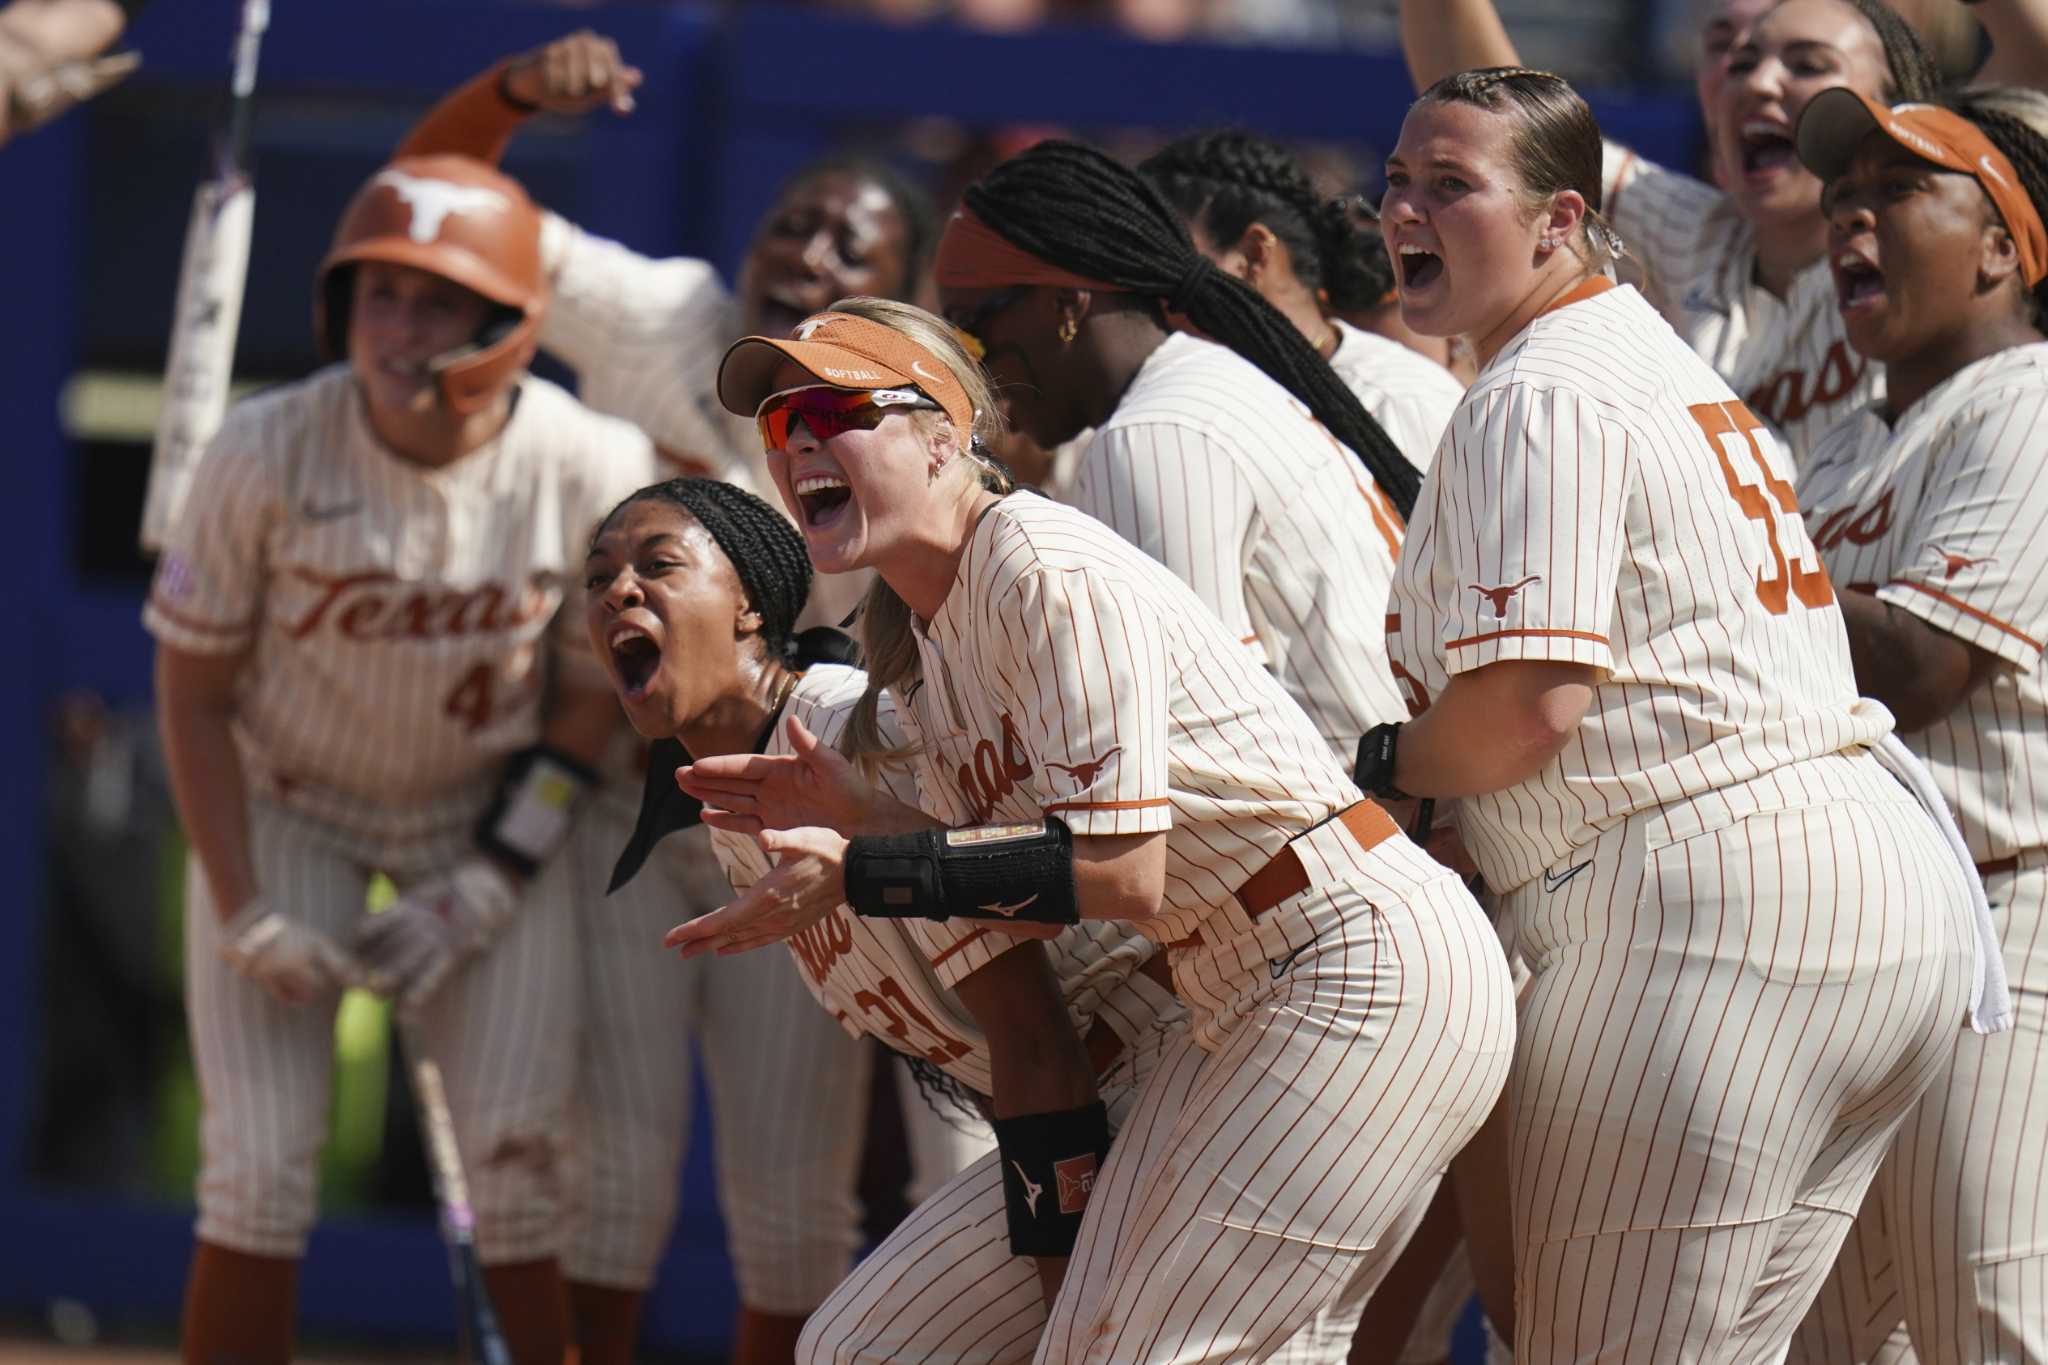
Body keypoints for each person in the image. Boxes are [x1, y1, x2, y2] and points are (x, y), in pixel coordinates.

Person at [672, 297, 1515, 1362]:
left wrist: (867, 865)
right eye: (780, 425)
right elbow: (1016, 919)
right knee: (862, 1349)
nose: (800, 441)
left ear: (943, 435)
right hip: (1218, 1002)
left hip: (1349, 962)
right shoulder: (922, 657)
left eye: (834, 408)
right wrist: (867, 814)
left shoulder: (1037, 563)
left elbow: (1120, 872)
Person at [1376, 67, 1999, 1362]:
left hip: (1703, 910)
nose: (1405, 213)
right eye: (1395, 183)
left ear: (1557, 222)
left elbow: (1523, 708)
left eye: (1451, 187)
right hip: (1868, 899)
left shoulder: (1540, 388)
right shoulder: (1657, 362)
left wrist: (1382, 767)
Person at [398, 36, 978, 1364]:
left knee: (788, 1210)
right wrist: (506, 96)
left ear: (893, 304)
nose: (815, 254)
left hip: (797, 820)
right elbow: (431, 201)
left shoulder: (909, 429)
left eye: (854, 248)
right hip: (623, 811)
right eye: (798, 223)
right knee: (612, 1188)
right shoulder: (661, 315)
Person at [146, 152, 656, 1365]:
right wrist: (245, 906)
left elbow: (592, 701)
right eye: (379, 293)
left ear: (506, 324)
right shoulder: (263, 448)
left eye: (435, 300)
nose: (399, 327)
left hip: (473, 810)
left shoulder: (591, 463)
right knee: (258, 1167)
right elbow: (192, 693)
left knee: (522, 1166)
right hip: (288, 804)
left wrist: (494, 872)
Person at [580, 472, 1188, 1363]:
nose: (618, 591)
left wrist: (1065, 1296)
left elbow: (1032, 1026)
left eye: (658, 564)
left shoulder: (840, 732)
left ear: (748, 604)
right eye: (597, 579)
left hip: (1173, 1057)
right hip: (1090, 1106)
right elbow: (975, 1050)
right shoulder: (739, 815)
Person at [1786, 83, 2048, 1365]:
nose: (1851, 224)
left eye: (1895, 195)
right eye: (1838, 201)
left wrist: (1725, 577)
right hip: (1870, 945)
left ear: (2000, 245)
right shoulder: (1835, 445)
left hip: (2010, 923)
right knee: (1822, 1341)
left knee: (1983, 1326)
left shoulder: (2031, 401)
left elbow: (1923, 663)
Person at [932, 138, 1423, 764]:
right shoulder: (1194, 390)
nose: (965, 372)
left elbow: (1207, 745)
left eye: (968, 334)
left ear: (1064, 305)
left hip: (1364, 835)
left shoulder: (1152, 434)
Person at [1398, 0, 2048, 465]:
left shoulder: (1931, 248)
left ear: (1894, 108)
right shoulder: (1694, 226)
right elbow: (1492, 129)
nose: (1761, 82)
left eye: (1807, 65)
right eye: (1738, 64)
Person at [1140, 129, 1468, 461]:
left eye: (1171, 258)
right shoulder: (1182, 401)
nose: (1150, 287)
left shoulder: (1401, 400)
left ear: (1254, 255)